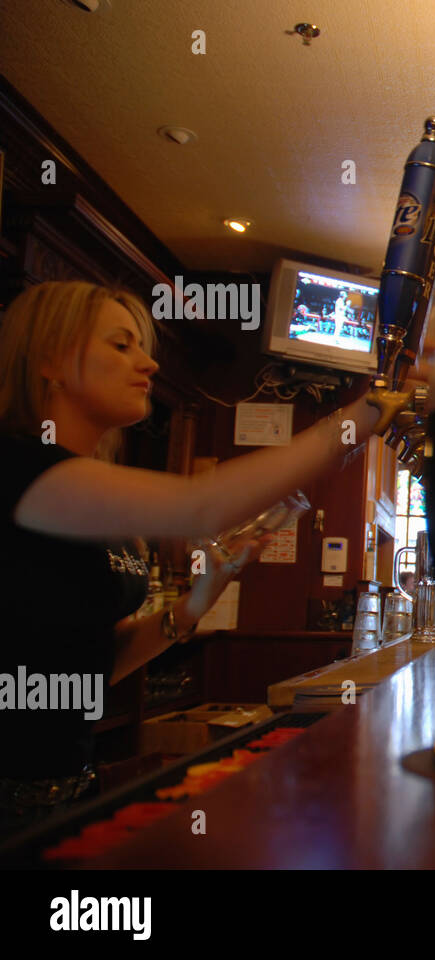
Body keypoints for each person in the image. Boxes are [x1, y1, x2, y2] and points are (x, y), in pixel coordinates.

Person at [0, 281, 410, 829]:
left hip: (67, 789)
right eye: (121, 346)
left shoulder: (92, 491)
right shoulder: (18, 470)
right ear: (48, 360)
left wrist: (193, 606)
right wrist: (365, 414)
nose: (147, 362)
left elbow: (92, 665)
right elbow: (204, 506)